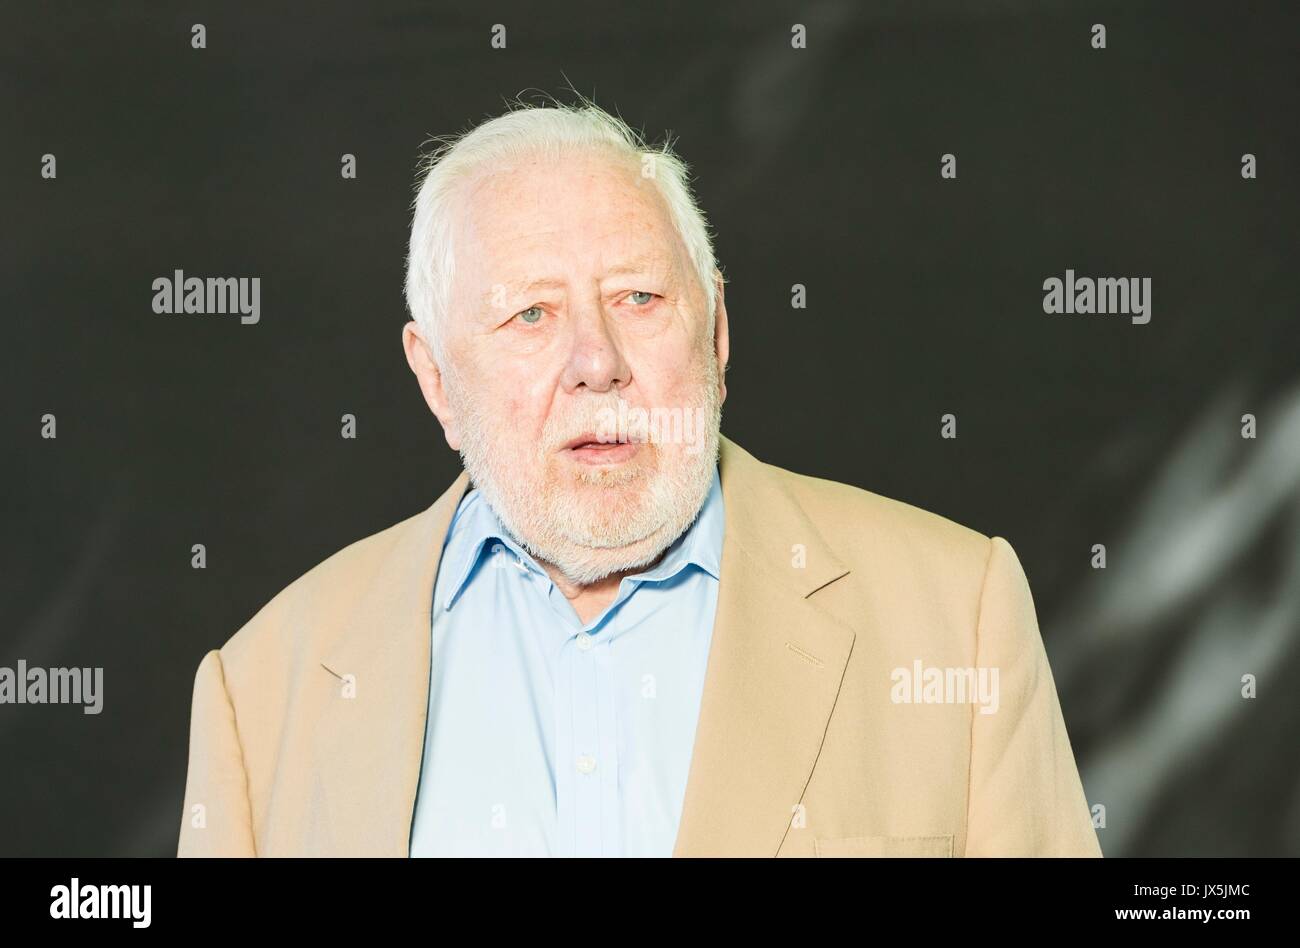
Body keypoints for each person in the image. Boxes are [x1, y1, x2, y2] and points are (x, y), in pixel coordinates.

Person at [177, 98, 1101, 857]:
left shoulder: (956, 614)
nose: (597, 361)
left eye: (639, 298)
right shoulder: (261, 697)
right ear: (435, 379)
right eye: (531, 314)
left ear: (718, 333)